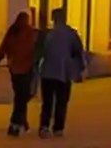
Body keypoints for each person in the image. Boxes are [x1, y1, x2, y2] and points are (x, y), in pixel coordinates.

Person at [38, 7, 86, 139]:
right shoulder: (71, 34)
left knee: (47, 102)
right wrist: (79, 70)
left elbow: (40, 53)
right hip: (64, 73)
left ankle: (44, 126)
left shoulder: (48, 34)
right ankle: (58, 127)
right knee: (61, 101)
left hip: (48, 72)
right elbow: (79, 53)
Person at [0, 11, 38, 137]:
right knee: (23, 96)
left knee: (20, 96)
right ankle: (15, 123)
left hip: (14, 68)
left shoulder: (13, 31)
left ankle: (22, 122)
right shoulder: (29, 32)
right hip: (26, 68)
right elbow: (33, 49)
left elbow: (4, 47)